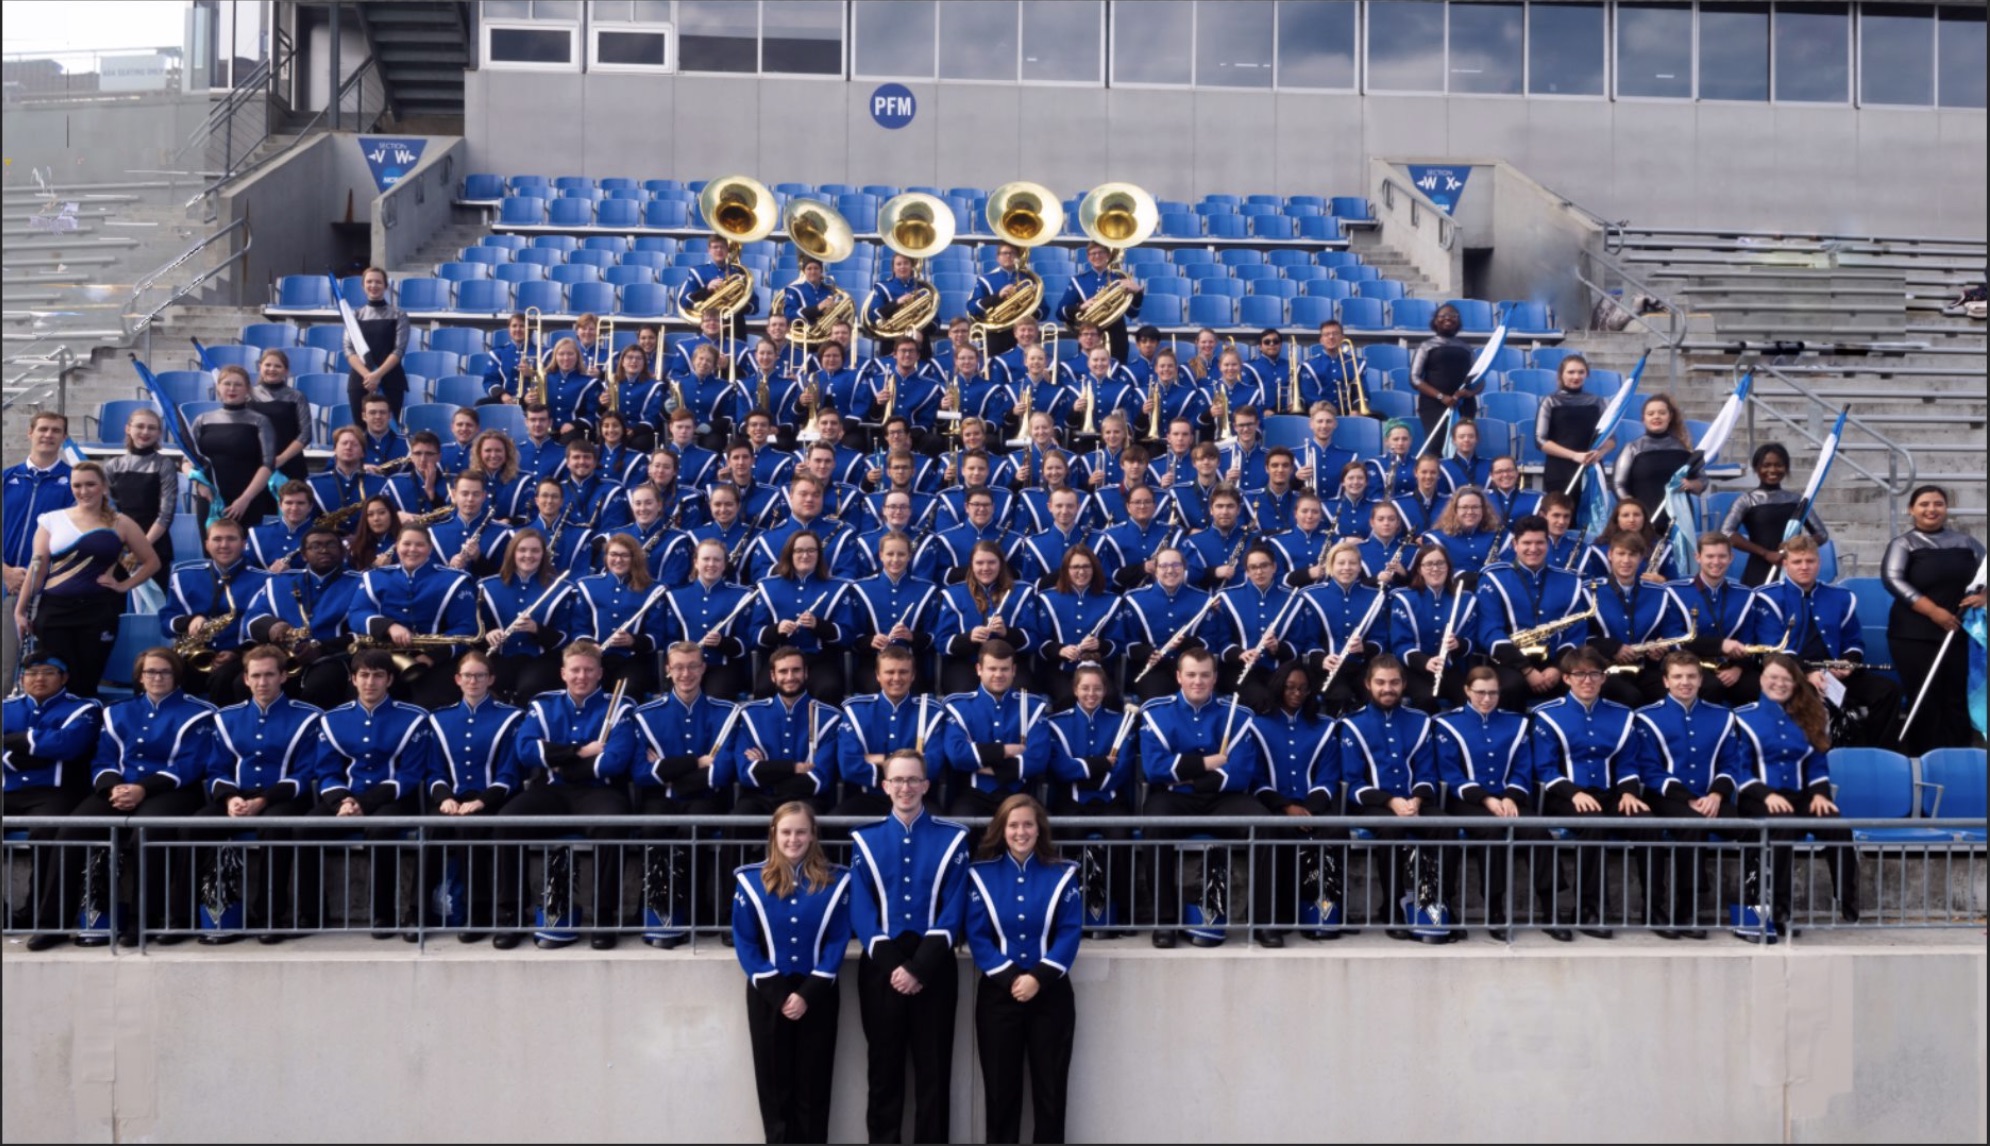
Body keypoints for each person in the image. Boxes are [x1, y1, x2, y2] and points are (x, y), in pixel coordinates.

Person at [39, 647, 213, 948]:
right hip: (119, 787)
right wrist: (113, 787)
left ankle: (142, 921)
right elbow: (103, 759)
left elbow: (191, 764)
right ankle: (51, 924)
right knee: (70, 831)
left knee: (148, 832)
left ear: (176, 675)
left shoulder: (199, 712)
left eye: (164, 671)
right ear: (140, 677)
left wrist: (143, 788)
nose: (157, 677)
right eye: (150, 672)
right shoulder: (117, 711)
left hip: (171, 790)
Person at [847, 748, 969, 1145]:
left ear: (926, 785)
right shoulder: (865, 840)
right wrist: (894, 965)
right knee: (883, 1072)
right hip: (882, 968)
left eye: (913, 779)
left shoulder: (953, 838)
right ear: (885, 786)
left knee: (934, 1073)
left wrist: (918, 968)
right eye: (897, 780)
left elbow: (954, 908)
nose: (905, 787)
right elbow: (862, 911)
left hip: (933, 967)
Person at [185, 642, 324, 943]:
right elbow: (216, 769)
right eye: (256, 676)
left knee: (276, 828)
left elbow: (306, 773)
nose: (263, 683)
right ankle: (213, 913)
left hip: (283, 797)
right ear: (245, 679)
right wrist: (230, 798)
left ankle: (270, 917)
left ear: (283, 676)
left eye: (269, 675)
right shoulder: (225, 718)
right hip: (237, 795)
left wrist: (263, 800)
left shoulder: (308, 717)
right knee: (197, 824)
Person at [965, 794, 1083, 1145]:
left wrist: (1037, 978)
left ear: (1039, 829)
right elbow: (977, 935)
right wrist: (1010, 978)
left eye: (1028, 824)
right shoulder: (980, 875)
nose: (1020, 832)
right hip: (998, 997)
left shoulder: (1063, 873)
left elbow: (1069, 932)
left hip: (1051, 994)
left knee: (1051, 1092)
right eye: (1013, 825)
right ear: (1001, 830)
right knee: (1001, 1094)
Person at [733, 801, 852, 1145]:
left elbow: (837, 939)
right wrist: (781, 995)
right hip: (769, 995)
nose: (793, 839)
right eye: (786, 832)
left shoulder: (836, 881)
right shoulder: (751, 881)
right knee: (774, 1088)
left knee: (813, 1089)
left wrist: (808, 994)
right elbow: (745, 941)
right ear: (774, 835)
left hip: (818, 995)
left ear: (813, 834)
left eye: (801, 831)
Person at [504, 640, 636, 950]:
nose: (582, 676)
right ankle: (510, 914)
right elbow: (526, 751)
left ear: (600, 673)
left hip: (597, 792)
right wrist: (579, 752)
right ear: (563, 673)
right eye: (575, 670)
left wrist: (562, 763)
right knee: (506, 821)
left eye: (589, 670)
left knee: (613, 825)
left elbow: (615, 760)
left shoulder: (620, 706)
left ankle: (604, 917)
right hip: (552, 791)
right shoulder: (542, 705)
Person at [1137, 647, 1270, 948]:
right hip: (1173, 799)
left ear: (1215, 678)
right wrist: (1209, 764)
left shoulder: (1236, 713)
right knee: (1154, 825)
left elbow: (1240, 771)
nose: (1198, 681)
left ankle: (1262, 921)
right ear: (1178, 677)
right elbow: (1156, 769)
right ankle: (1165, 921)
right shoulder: (1157, 712)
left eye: (1205, 675)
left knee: (1264, 825)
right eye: (1191, 675)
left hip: (1222, 797)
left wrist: (1189, 777)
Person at [301, 649, 435, 940]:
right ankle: (310, 913)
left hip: (393, 799)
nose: (370, 682)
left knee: (380, 829)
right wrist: (341, 801)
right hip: (346, 797)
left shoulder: (414, 718)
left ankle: (383, 913)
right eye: (363, 675)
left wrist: (362, 803)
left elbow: (410, 775)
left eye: (377, 676)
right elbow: (326, 771)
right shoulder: (331, 719)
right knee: (306, 827)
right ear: (352, 679)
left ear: (389, 680)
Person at [1730, 653, 1861, 943]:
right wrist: (1767, 794)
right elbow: (1738, 770)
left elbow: (1816, 764)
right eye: (1772, 678)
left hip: (1800, 795)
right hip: (1757, 797)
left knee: (1837, 824)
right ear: (1762, 680)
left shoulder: (1809, 715)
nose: (1778, 683)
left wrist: (1820, 795)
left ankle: (1848, 897)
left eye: (1785, 679)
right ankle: (1778, 912)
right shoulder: (1743, 717)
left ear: (1795, 683)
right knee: (1783, 825)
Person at [1525, 646, 1650, 938]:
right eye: (1580, 674)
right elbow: (1544, 769)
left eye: (1595, 674)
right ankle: (1590, 909)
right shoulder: (1548, 715)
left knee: (1649, 825)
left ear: (1604, 678)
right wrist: (1573, 793)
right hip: (1565, 796)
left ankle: (1656, 907)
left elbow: (1628, 763)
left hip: (1609, 793)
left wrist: (1629, 792)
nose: (1588, 680)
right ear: (1566, 679)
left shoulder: (1622, 715)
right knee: (1593, 824)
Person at [1435, 666, 1566, 942]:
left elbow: (1522, 768)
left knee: (1537, 832)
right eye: (1480, 692)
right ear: (1467, 691)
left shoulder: (1517, 723)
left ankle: (1550, 909)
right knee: (1492, 832)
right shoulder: (1447, 723)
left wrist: (1510, 795)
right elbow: (1451, 774)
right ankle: (1494, 909)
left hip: (1508, 798)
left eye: (1493, 693)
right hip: (1468, 800)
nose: (1487, 699)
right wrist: (1486, 799)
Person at [1338, 655, 1460, 941]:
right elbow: (1353, 782)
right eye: (1380, 682)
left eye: (1394, 682)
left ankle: (1438, 903)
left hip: (1414, 802)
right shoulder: (1351, 724)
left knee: (1446, 827)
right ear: (1368, 684)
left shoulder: (1420, 722)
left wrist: (1416, 800)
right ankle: (1391, 906)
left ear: (1404, 684)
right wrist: (1390, 802)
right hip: (1373, 805)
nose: (1387, 688)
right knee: (1391, 828)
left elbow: (1427, 774)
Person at [13, 462, 159, 698]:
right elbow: (36, 570)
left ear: (103, 487)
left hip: (98, 613)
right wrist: (20, 611)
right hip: (54, 613)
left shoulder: (120, 522)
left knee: (86, 681)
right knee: (53, 681)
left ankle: (85, 728)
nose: (84, 491)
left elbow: (152, 562)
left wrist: (123, 586)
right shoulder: (51, 520)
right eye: (77, 485)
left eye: (90, 484)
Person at [629, 641, 737, 947]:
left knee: (696, 826)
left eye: (692, 666)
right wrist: (697, 763)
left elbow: (723, 772)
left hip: (703, 797)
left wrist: (667, 772)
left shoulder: (725, 712)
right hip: (660, 800)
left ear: (703, 668)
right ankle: (656, 909)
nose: (685, 673)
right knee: (655, 828)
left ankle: (697, 907)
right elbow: (639, 773)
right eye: (678, 667)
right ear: (667, 670)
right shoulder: (646, 714)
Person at [1750, 534, 1902, 748]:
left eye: (1810, 561)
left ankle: (1877, 753)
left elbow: (1853, 640)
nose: (1804, 567)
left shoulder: (1841, 597)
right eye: (1797, 562)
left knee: (1887, 691)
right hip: (1792, 674)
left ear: (1819, 563)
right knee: (1811, 695)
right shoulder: (1768, 597)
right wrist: (1808, 673)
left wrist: (1849, 661)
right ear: (1785, 564)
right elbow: (1773, 649)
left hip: (1834, 673)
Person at [1633, 651, 1740, 940]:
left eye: (1691, 676)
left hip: (1711, 798)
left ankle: (1752, 912)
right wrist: (1688, 798)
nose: (1685, 682)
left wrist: (1717, 795)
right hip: (1667, 798)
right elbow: (1649, 770)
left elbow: (1731, 764)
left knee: (1756, 830)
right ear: (1666, 681)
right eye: (1678, 676)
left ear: (1701, 679)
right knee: (1693, 823)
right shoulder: (1646, 717)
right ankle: (1686, 907)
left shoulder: (1723, 716)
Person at [6, 652, 105, 948]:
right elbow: (53, 745)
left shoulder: (84, 707)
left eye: (49, 672)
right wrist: (36, 748)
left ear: (64, 678)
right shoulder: (6, 707)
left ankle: (50, 921)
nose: (39, 678)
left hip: (57, 791)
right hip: (9, 788)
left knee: (49, 833)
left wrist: (14, 743)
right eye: (32, 673)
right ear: (22, 678)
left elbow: (69, 746)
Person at [425, 649, 523, 941]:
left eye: (480, 675)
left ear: (491, 678)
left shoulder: (511, 718)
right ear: (457, 679)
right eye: (468, 675)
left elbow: (509, 773)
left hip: (489, 798)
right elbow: (434, 771)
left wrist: (481, 801)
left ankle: (476, 912)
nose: (473, 681)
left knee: (472, 827)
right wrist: (444, 798)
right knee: (429, 829)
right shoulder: (439, 719)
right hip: (452, 797)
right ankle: (418, 910)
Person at [1883, 484, 1987, 754]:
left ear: (1946, 509)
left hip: (1959, 632)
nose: (1932, 509)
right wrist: (1934, 612)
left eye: (1938, 504)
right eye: (1924, 504)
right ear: (1911, 510)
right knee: (1925, 696)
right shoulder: (1903, 543)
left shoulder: (1967, 543)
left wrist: (1985, 597)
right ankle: (1924, 756)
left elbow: (1985, 577)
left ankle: (1959, 757)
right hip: (1912, 634)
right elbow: (1893, 580)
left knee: (1955, 698)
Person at [1250, 660, 1348, 944]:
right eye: (1290, 687)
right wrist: (1286, 808)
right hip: (1275, 806)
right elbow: (1255, 779)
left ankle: (1322, 911)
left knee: (1335, 831)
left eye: (1303, 689)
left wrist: (1309, 811)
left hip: (1311, 806)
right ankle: (1274, 917)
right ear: (1279, 687)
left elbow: (1328, 777)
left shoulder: (1324, 727)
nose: (1296, 693)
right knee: (1274, 833)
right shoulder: (1257, 725)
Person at [350, 523, 480, 709]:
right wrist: (389, 626)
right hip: (385, 655)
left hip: (435, 659)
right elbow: (356, 614)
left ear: (430, 548)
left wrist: (431, 657)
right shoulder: (374, 577)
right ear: (397, 546)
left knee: (431, 701)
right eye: (407, 544)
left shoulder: (454, 580)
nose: (412, 550)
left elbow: (466, 628)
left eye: (419, 545)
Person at [1475, 514, 1591, 712]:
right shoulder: (1492, 578)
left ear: (1547, 543)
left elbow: (1575, 631)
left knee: (1581, 684)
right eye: (1526, 543)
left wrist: (1557, 668)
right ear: (1514, 544)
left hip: (1556, 662)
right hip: (1509, 662)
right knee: (1512, 686)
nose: (1533, 549)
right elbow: (1490, 632)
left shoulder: (1570, 581)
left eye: (1539, 542)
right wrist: (1527, 670)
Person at [243, 524, 362, 711]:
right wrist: (274, 628)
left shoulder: (360, 583)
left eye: (331, 545)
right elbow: (251, 618)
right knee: (240, 684)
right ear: (304, 555)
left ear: (342, 552)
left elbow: (363, 632)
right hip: (284, 656)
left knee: (319, 686)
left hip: (333, 657)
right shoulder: (279, 582)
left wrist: (321, 648)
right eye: (315, 546)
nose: (323, 550)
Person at [720, 645, 846, 819]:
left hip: (806, 799)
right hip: (759, 799)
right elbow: (747, 774)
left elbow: (819, 781)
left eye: (796, 670)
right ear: (773, 676)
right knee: (738, 820)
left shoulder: (829, 717)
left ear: (806, 673)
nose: (790, 677)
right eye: (783, 671)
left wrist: (767, 771)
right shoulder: (751, 715)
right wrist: (794, 768)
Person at [160, 516, 269, 703]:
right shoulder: (183, 577)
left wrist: (237, 653)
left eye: (231, 539)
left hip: (241, 656)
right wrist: (190, 621)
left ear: (243, 544)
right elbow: (166, 621)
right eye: (217, 539)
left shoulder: (265, 580)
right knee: (156, 672)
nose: (224, 545)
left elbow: (264, 627)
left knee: (224, 680)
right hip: (194, 654)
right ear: (207, 544)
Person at [941, 641, 1048, 818]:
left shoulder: (1032, 707)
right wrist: (1005, 750)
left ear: (1013, 671)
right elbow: (958, 756)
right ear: (979, 669)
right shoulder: (959, 707)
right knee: (960, 826)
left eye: (1004, 669)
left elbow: (1038, 759)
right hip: (973, 796)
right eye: (992, 669)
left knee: (1040, 829)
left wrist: (982, 765)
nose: (998, 674)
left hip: (1019, 794)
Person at [1587, 532, 1691, 707]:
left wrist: (1661, 646)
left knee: (1673, 696)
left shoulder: (1660, 593)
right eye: (1621, 554)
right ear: (1610, 555)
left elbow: (1670, 633)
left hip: (1645, 669)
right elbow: (1581, 637)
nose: (1626, 560)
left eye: (1632, 554)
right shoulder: (1589, 591)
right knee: (1631, 697)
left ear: (1642, 558)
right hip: (1604, 670)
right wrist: (1613, 647)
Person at [477, 528, 577, 705]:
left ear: (543, 555)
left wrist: (536, 629)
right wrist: (489, 634)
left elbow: (564, 639)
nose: (528, 555)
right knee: (490, 685)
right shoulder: (487, 586)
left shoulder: (561, 589)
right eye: (522, 550)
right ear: (512, 553)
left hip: (540, 658)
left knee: (530, 688)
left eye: (535, 550)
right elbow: (478, 628)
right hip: (499, 656)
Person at [748, 533, 851, 703]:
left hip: (818, 660)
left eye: (811, 550)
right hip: (779, 661)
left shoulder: (837, 587)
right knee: (764, 690)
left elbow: (847, 635)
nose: (805, 555)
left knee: (829, 689)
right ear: (790, 554)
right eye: (799, 551)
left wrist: (818, 625)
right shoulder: (767, 586)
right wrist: (777, 629)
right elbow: (753, 635)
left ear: (819, 555)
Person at [1670, 532, 1766, 706]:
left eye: (1722, 556)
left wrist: (1739, 668)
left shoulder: (1745, 595)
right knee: (1711, 687)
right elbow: (1674, 639)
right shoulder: (1675, 592)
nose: (1716, 562)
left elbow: (1748, 641)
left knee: (1761, 687)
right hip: (1688, 666)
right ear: (1697, 557)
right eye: (1710, 556)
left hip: (1730, 667)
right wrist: (1720, 645)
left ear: (1731, 558)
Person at [1722, 443, 1830, 586]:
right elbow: (1726, 533)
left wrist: (1795, 549)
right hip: (1758, 570)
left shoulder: (1798, 501)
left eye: (1778, 465)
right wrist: (1765, 553)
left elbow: (1821, 534)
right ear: (1756, 468)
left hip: (1793, 568)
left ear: (1786, 467)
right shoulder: (1746, 500)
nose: (1772, 470)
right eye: (1766, 465)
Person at [935, 541, 1036, 695]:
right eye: (980, 563)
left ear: (1001, 564)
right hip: (967, 663)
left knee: (1020, 693)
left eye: (991, 562)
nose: (985, 568)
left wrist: (1006, 633)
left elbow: (1034, 640)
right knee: (962, 693)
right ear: (971, 565)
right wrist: (969, 638)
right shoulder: (953, 594)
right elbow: (941, 643)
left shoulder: (1021, 592)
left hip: (1007, 663)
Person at [1032, 545, 1125, 708]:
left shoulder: (1112, 601)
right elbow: (1038, 641)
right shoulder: (1047, 598)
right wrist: (1060, 650)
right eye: (1075, 567)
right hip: (1060, 670)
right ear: (1066, 570)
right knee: (1067, 698)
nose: (1081, 572)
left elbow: (1118, 643)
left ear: (1094, 569)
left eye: (1086, 566)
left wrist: (1100, 645)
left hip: (1097, 670)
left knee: (1110, 698)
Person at [1298, 540, 1384, 715]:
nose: (1347, 567)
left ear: (1360, 567)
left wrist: (1364, 648)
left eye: (1352, 563)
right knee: (1339, 698)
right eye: (1341, 563)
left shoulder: (1375, 596)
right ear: (1330, 566)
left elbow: (1381, 639)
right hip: (1327, 668)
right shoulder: (1312, 595)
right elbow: (1309, 640)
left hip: (1362, 668)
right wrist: (1322, 659)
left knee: (1375, 697)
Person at [1122, 547, 1219, 702]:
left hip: (1192, 670)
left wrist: (1188, 643)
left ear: (1184, 568)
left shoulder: (1203, 600)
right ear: (1155, 570)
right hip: (1153, 670)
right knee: (1158, 702)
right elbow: (1128, 642)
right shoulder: (1135, 600)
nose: (1170, 570)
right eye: (1164, 566)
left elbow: (1210, 640)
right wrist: (1148, 653)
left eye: (1176, 565)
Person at [1389, 544, 1475, 713]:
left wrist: (1458, 644)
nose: (1435, 568)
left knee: (1468, 700)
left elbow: (1472, 640)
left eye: (1440, 563)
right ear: (1419, 570)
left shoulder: (1465, 599)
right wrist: (1425, 662)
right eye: (1428, 564)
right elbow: (1400, 645)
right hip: (1414, 670)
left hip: (1449, 668)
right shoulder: (1404, 599)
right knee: (1426, 699)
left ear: (1448, 567)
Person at [576, 532, 663, 698]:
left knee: (626, 692)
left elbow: (656, 636)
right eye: (614, 554)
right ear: (606, 557)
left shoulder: (653, 590)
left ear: (634, 558)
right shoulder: (588, 585)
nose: (618, 560)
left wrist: (633, 641)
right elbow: (579, 627)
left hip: (633, 660)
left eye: (625, 555)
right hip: (595, 658)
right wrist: (590, 645)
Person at [190, 364, 279, 526]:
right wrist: (199, 484)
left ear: (247, 390)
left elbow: (268, 465)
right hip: (209, 498)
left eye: (238, 384)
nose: (232, 389)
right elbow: (186, 460)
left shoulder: (260, 421)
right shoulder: (202, 420)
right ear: (218, 388)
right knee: (211, 550)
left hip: (247, 500)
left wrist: (245, 499)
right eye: (227, 384)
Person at [102, 406, 178, 585]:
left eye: (152, 428)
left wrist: (139, 550)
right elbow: (105, 509)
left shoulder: (164, 465)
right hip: (119, 547)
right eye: (140, 426)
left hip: (154, 545)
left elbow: (165, 515)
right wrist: (122, 550)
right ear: (128, 429)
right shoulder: (113, 466)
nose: (145, 432)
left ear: (159, 433)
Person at [1534, 355, 1614, 520]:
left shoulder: (1597, 402)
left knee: (1590, 521)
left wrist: (1601, 452)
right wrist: (1574, 456)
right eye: (1571, 372)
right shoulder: (1550, 401)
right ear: (1561, 375)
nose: (1576, 377)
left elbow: (1612, 439)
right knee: (1560, 518)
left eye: (1581, 372)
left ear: (1587, 374)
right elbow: (1540, 441)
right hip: (1560, 470)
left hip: (1591, 468)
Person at [1612, 394, 1702, 524]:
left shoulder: (1684, 449)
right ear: (1643, 419)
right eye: (1651, 413)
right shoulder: (1632, 448)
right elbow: (1618, 484)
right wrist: (1633, 509)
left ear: (1670, 417)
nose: (1656, 416)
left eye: (1662, 413)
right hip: (1644, 521)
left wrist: (1691, 484)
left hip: (1680, 520)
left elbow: (1702, 480)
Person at [1057, 240, 1144, 361]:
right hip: (1089, 336)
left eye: (1101, 252)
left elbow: (1133, 313)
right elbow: (1060, 313)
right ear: (1088, 257)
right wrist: (1081, 307)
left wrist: (1138, 293)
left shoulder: (1120, 279)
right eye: (1093, 253)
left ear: (1108, 255)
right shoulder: (1079, 280)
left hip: (1116, 336)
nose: (1097, 256)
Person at [343, 265, 411, 418]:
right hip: (360, 381)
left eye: (378, 282)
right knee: (361, 432)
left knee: (389, 429)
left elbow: (399, 350)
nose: (373, 286)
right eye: (369, 282)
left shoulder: (399, 315)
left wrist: (377, 375)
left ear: (385, 286)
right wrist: (369, 376)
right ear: (363, 285)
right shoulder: (354, 316)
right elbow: (348, 349)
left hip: (391, 380)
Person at [1408, 304, 1479, 451]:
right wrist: (1441, 396)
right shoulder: (1426, 346)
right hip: (1434, 405)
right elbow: (1414, 378)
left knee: (1463, 446)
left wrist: (1469, 393)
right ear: (1435, 321)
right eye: (1443, 316)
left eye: (1453, 316)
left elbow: (1480, 378)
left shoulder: (1466, 348)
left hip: (1463, 404)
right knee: (1436, 446)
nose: (1448, 318)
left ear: (1458, 321)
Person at [250, 345, 313, 484]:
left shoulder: (297, 397)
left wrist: (282, 458)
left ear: (286, 371)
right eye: (267, 365)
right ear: (260, 367)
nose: (272, 369)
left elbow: (306, 434)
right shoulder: (248, 396)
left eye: (277, 366)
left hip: (290, 463)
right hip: (255, 464)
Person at [1424, 486, 1502, 578]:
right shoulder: (1437, 539)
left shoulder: (1499, 535)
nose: (1470, 512)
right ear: (1455, 510)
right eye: (1464, 507)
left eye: (1475, 507)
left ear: (1483, 510)